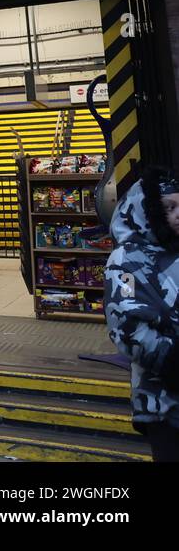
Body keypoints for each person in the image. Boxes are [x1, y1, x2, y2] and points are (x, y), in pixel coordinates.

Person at [105, 167, 179, 462]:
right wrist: (173, 360)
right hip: (162, 403)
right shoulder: (125, 262)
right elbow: (127, 327)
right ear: (144, 211)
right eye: (169, 208)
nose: (178, 215)